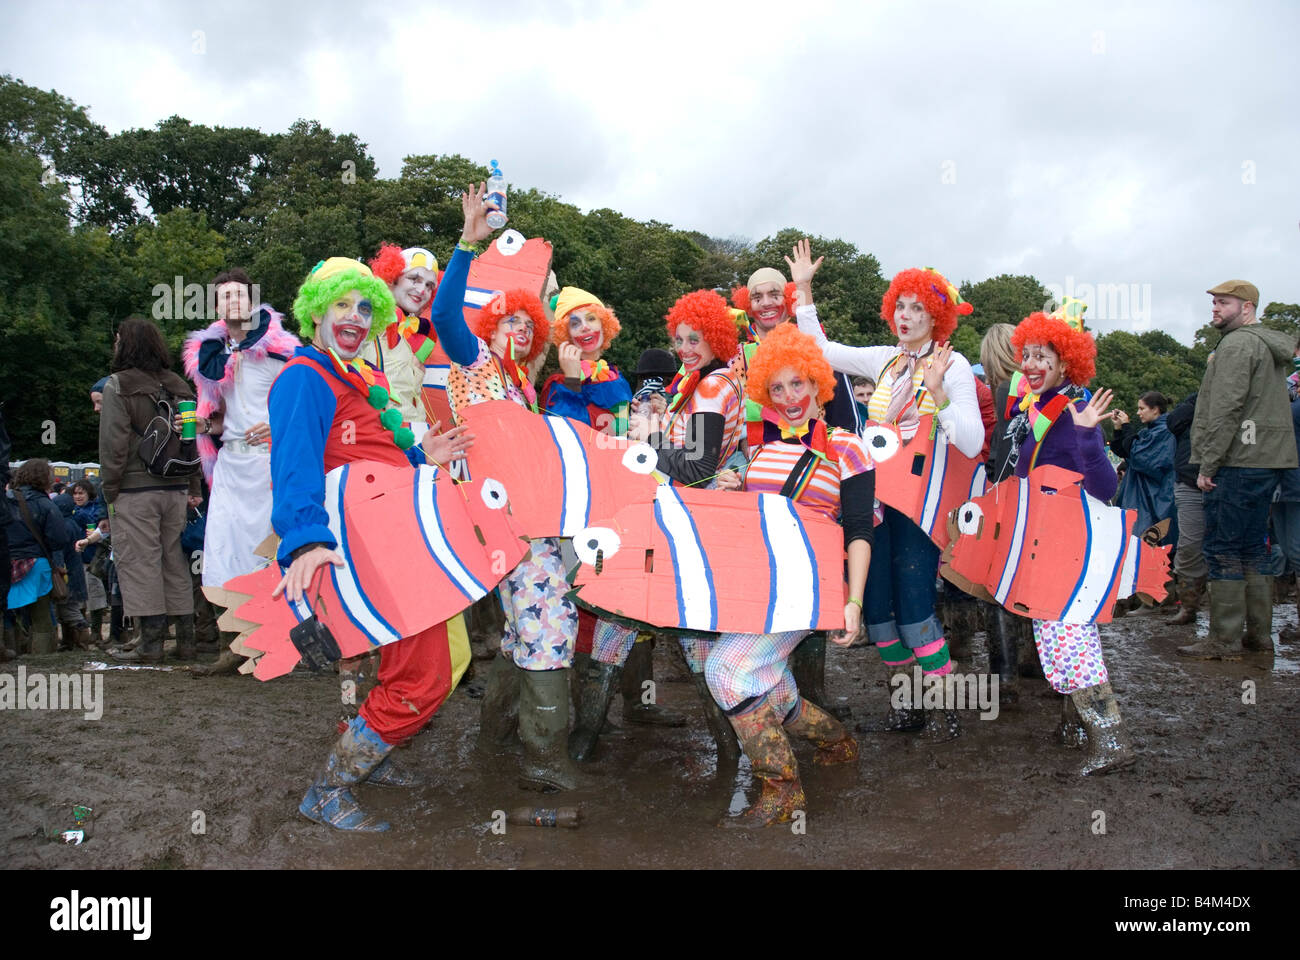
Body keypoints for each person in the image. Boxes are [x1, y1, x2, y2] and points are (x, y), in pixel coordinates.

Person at [269, 235, 475, 831]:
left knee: (448, 657)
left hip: (401, 539)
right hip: (370, 549)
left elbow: (381, 454)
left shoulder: (356, 376)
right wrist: (304, 540)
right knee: (427, 673)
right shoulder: (307, 376)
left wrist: (423, 458)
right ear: (315, 311)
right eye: (343, 305)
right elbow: (294, 467)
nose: (356, 317)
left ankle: (371, 754)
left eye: (365, 307)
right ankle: (330, 786)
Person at [796, 260, 983, 740]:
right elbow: (821, 349)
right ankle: (908, 705)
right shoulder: (886, 359)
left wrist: (939, 395)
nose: (905, 315)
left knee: (916, 607)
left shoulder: (953, 364)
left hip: (920, 505)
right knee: (877, 611)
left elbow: (970, 440)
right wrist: (803, 290)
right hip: (875, 499)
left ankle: (945, 710)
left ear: (936, 317)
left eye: (917, 308)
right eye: (900, 305)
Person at [707, 322, 868, 826]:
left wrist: (854, 602)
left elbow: (860, 530)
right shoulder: (760, 452)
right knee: (770, 685)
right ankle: (837, 741)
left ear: (818, 384)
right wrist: (735, 488)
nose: (788, 396)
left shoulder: (848, 447)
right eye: (776, 387)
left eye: (797, 383)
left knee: (726, 671)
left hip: (809, 587)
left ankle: (783, 790)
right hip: (757, 585)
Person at [1007, 304, 1133, 775]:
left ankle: (1113, 741)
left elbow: (1104, 487)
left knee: (1069, 637)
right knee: (1056, 636)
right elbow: (1025, 475)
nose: (1033, 364)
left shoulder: (1076, 409)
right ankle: (1078, 727)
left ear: (1065, 365)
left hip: (1070, 542)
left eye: (1044, 356)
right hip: (1043, 538)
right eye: (1028, 354)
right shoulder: (1039, 408)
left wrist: (1084, 435)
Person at [181, 268, 298, 674]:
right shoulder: (211, 355)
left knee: (270, 554)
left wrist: (280, 425)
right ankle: (234, 647)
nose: (232, 301)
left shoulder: (284, 348)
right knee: (223, 553)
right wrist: (204, 426)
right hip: (230, 464)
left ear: (252, 302)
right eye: (224, 296)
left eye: (239, 295)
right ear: (216, 306)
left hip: (271, 463)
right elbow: (220, 412)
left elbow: (307, 401)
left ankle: (279, 647)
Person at [1181, 280, 1297, 659]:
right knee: (1252, 548)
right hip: (1264, 460)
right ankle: (1258, 636)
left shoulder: (1237, 345)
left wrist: (1208, 464)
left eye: (1223, 302)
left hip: (1236, 462)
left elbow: (1226, 409)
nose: (1214, 308)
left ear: (1246, 307)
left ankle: (1223, 639)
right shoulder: (1264, 344)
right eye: (1213, 301)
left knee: (1224, 548)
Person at [98, 317, 203, 662]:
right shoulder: (179, 385)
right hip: (175, 487)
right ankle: (186, 642)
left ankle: (150, 644)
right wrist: (192, 485)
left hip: (133, 488)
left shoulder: (118, 385)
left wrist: (109, 490)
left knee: (140, 562)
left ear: (126, 346)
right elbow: (192, 442)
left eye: (118, 341)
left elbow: (113, 445)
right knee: (175, 561)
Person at [978, 321, 1032, 700]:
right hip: (1039, 496)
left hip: (1009, 495)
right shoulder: (1037, 389)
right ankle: (1034, 663)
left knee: (997, 583)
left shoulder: (1005, 390)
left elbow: (1002, 447)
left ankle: (1004, 673)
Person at [362, 245, 440, 425]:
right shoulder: (366, 318)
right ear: (392, 277)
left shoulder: (421, 336)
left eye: (429, 286)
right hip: (375, 435)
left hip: (412, 433)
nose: (422, 291)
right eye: (414, 279)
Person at [539, 287, 633, 435]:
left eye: (591, 319)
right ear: (566, 335)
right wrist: (572, 382)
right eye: (575, 323)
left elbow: (621, 432)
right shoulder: (558, 383)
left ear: (604, 326)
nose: (585, 327)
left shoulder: (614, 375)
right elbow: (567, 433)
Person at [5, 459, 73, 654]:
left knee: (7, 611)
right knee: (41, 613)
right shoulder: (45, 504)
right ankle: (42, 654)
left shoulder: (6, 499)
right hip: (36, 563)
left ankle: (11, 649)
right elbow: (59, 538)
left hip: (7, 563)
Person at [1164, 392, 1206, 624]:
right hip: (1190, 478)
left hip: (1228, 477)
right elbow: (1174, 422)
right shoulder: (1195, 400)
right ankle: (1188, 609)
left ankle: (1231, 623)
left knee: (1229, 551)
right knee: (1188, 548)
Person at [1117, 392, 1178, 547]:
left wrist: (1126, 427)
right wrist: (1119, 429)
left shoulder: (1164, 432)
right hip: (1141, 495)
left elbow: (1139, 457)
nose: (1138, 413)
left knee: (1142, 543)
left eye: (1141, 408)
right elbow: (1126, 451)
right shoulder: (1148, 432)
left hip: (1152, 498)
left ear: (1155, 409)